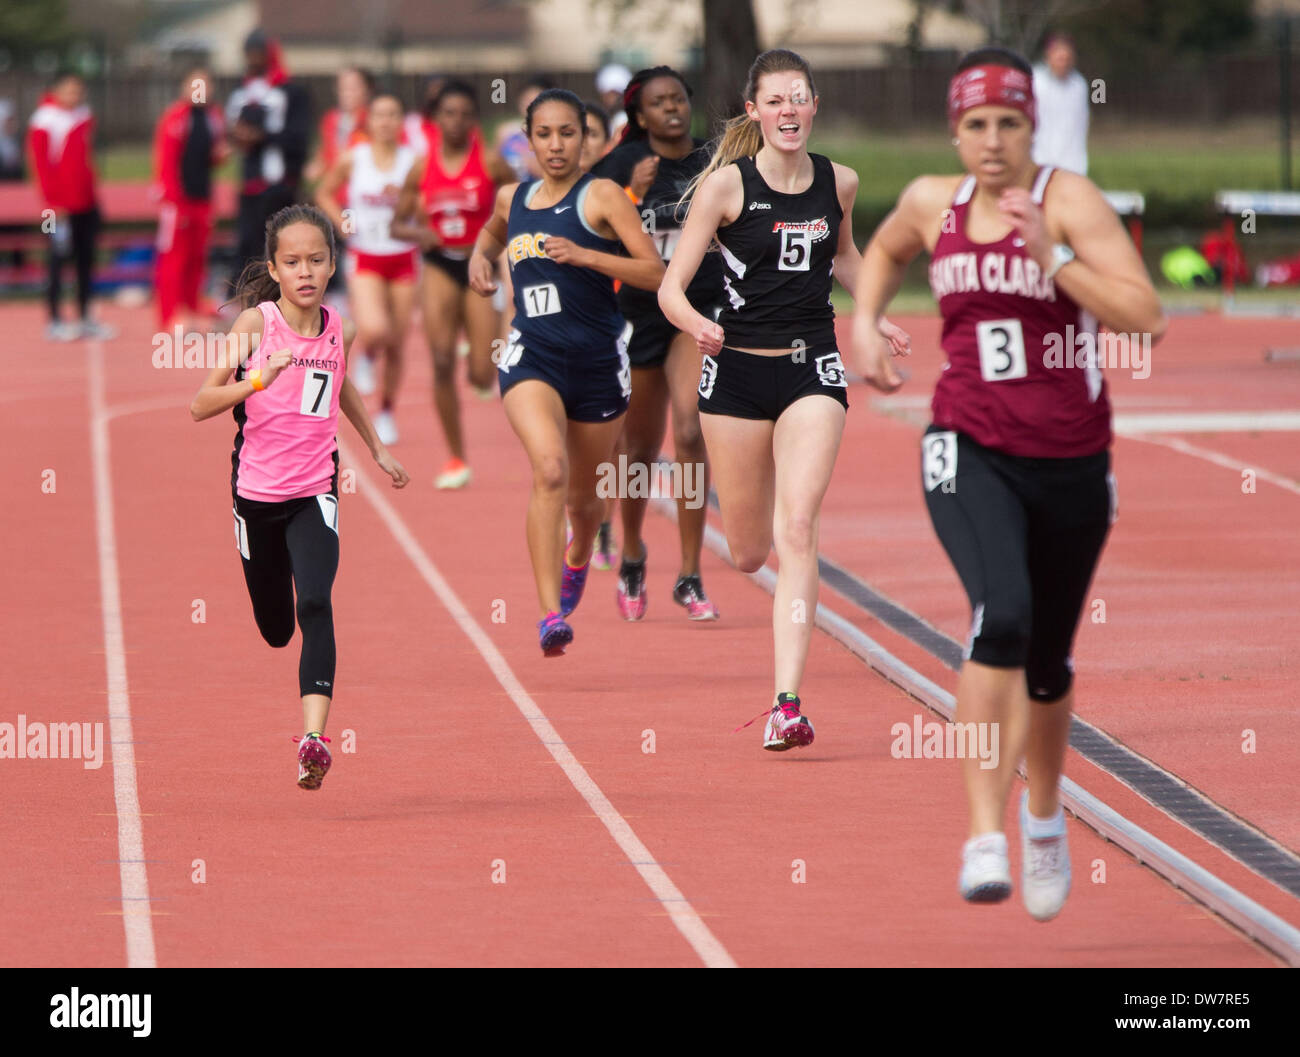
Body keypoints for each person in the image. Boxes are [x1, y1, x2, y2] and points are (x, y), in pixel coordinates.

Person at [851, 46, 1166, 918]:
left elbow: (1149, 315)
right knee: (1003, 617)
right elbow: (882, 249)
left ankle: (1044, 815)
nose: (993, 143)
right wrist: (867, 324)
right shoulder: (931, 200)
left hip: (1070, 460)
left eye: (1010, 124)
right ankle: (984, 830)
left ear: (1034, 127)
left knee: (1050, 663)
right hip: (967, 442)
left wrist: (1054, 256)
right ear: (955, 133)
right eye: (976, 126)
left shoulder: (1069, 200)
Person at [660, 49, 909, 750]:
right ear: (755, 112)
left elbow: (847, 258)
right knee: (747, 550)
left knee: (798, 526)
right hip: (734, 376)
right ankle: (755, 551)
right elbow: (670, 287)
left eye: (798, 97)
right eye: (774, 100)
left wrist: (874, 313)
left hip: (812, 371)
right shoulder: (725, 189)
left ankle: (786, 703)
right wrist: (695, 321)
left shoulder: (841, 182)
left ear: (814, 106)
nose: (788, 110)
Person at [190, 203, 409, 789]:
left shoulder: (343, 327)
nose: (306, 271)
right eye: (293, 262)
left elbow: (338, 387)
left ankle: (313, 739)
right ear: (275, 268)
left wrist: (376, 448)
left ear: (333, 265)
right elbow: (200, 405)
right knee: (277, 629)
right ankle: (274, 597)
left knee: (316, 603)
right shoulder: (256, 327)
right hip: (257, 495)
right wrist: (260, 377)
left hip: (316, 491)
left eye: (316, 260)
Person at [467, 89, 664, 656]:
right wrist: (482, 258)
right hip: (531, 356)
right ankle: (550, 614)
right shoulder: (513, 197)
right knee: (549, 470)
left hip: (599, 364)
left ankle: (579, 552)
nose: (556, 145)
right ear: (527, 141)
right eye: (544, 134)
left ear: (585, 140)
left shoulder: (601, 195)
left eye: (568, 134)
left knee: (584, 500)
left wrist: (587, 256)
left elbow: (653, 272)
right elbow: (491, 233)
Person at [592, 66, 723, 621]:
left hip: (695, 309)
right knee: (639, 449)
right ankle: (634, 551)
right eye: (658, 103)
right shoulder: (621, 166)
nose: (671, 109)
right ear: (639, 116)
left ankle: (690, 574)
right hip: (640, 312)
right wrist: (632, 196)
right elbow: (589, 228)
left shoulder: (717, 159)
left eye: (678, 99)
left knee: (692, 430)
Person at [391, 80, 514, 488]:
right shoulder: (422, 167)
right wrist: (419, 235)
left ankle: (474, 353)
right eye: (448, 113)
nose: (456, 121)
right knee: (441, 360)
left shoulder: (493, 163)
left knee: (482, 374)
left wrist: (503, 249)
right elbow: (396, 223)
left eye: (464, 114)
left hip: (479, 264)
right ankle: (457, 457)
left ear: (474, 119)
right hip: (439, 264)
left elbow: (522, 204)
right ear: (436, 119)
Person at [316, 92, 419, 446]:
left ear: (401, 121)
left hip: (404, 255)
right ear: (369, 121)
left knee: (398, 341)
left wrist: (414, 208)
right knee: (374, 329)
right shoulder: (354, 158)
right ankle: (367, 353)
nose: (386, 122)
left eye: (393, 115)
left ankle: (387, 410)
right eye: (379, 115)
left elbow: (428, 201)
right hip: (366, 255)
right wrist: (342, 220)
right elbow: (325, 192)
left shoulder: (413, 161)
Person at [27, 72, 115, 341]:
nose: (74, 96)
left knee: (86, 260)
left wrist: (93, 193)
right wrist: (52, 202)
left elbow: (85, 158)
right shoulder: (43, 120)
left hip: (86, 203)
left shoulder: (84, 116)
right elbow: (40, 164)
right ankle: (54, 320)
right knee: (55, 259)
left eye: (78, 91)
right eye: (68, 91)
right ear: (56, 90)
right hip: (54, 209)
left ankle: (85, 315)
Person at [226, 30, 312, 293]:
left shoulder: (290, 91)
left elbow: (300, 138)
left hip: (279, 185)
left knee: (278, 245)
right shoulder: (241, 91)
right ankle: (245, 304)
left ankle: (280, 301)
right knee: (247, 245)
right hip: (250, 182)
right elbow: (230, 129)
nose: (252, 59)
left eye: (258, 53)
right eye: (248, 54)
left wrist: (261, 137)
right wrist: (238, 136)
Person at [152, 67, 227, 330]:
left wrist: (220, 155)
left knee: (197, 257)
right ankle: (169, 314)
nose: (200, 92)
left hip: (202, 199)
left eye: (205, 86)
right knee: (174, 258)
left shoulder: (213, 117)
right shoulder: (175, 118)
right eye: (195, 86)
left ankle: (192, 307)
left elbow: (212, 156)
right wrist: (173, 201)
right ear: (185, 89)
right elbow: (167, 163)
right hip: (177, 201)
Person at [1031, 33, 1089, 175]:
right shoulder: (1035, 81)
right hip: (1040, 159)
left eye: (1067, 58)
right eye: (1059, 58)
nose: (1063, 62)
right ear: (1048, 56)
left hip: (1073, 163)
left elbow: (1082, 122)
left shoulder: (1079, 84)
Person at [596, 63, 632, 142]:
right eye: (608, 94)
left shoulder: (626, 120)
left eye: (616, 94)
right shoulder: (600, 119)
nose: (612, 99)